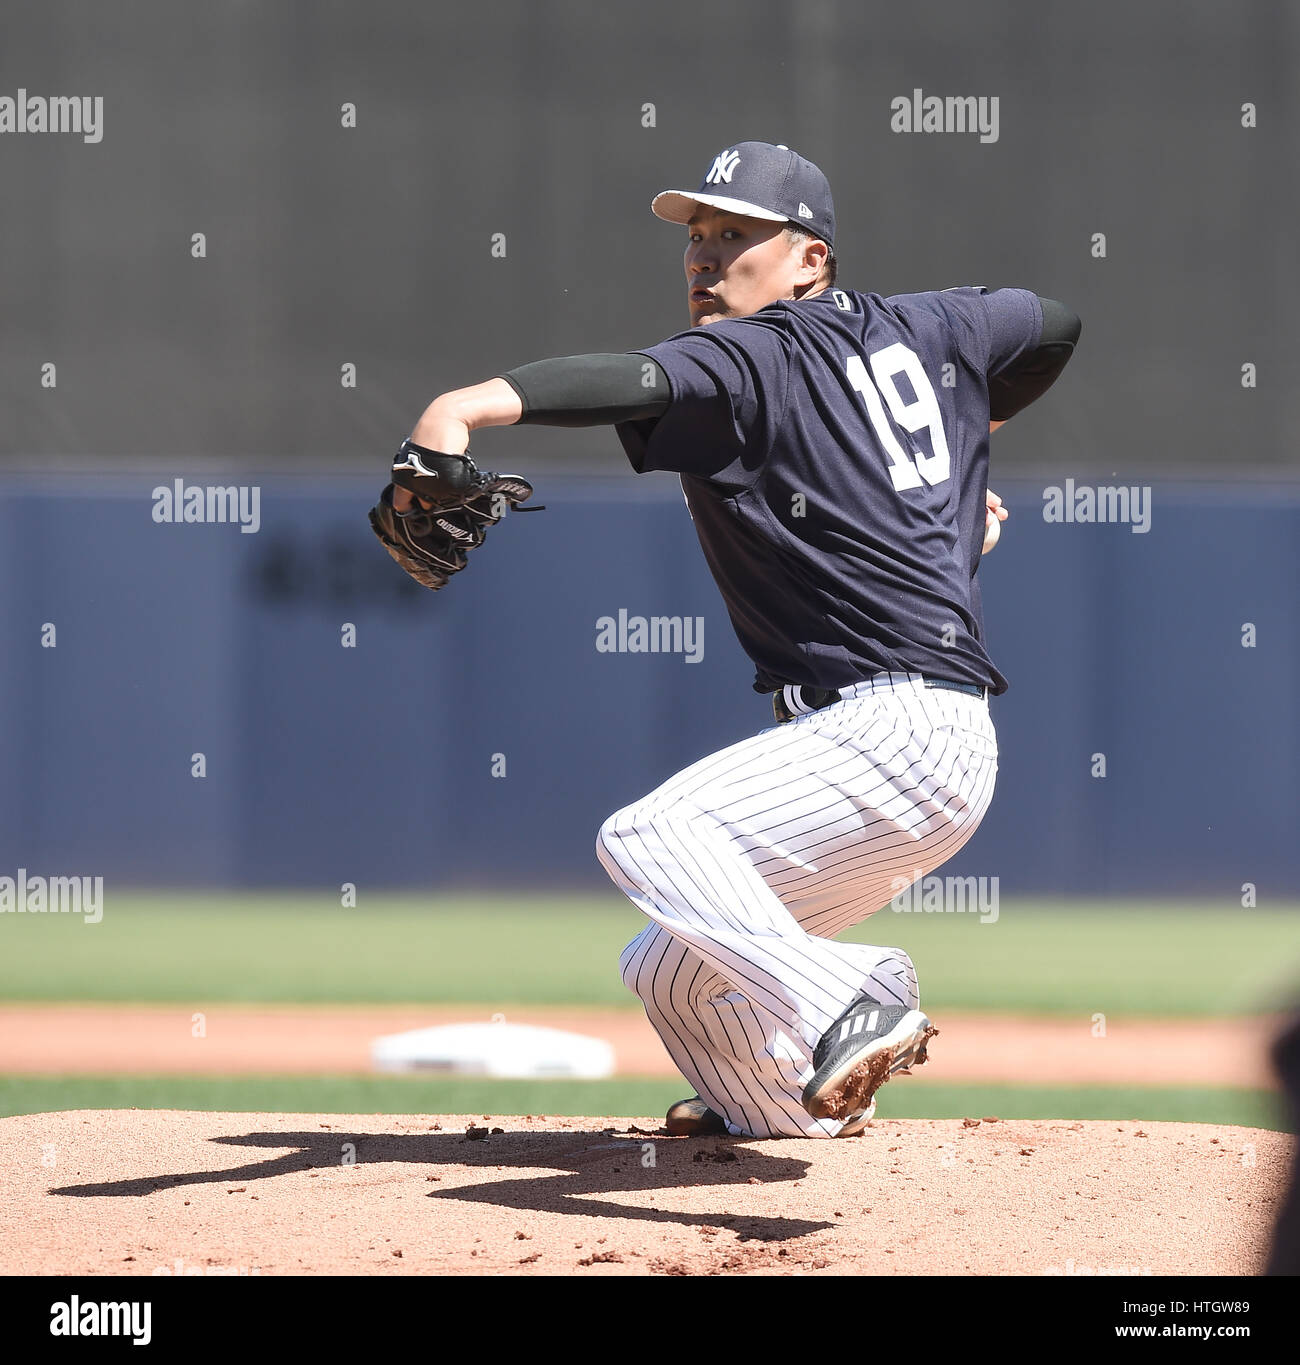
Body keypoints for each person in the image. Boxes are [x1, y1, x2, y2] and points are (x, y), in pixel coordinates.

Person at [391, 141, 1081, 1138]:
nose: (705, 259)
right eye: (697, 238)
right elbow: (1052, 323)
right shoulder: (930, 327)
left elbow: (623, 381)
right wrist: (960, 453)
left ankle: (854, 998)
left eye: (736, 236)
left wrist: (458, 410)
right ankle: (782, 1115)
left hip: (888, 733)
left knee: (646, 836)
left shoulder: (752, 349)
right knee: (668, 967)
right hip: (937, 752)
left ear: (810, 259)